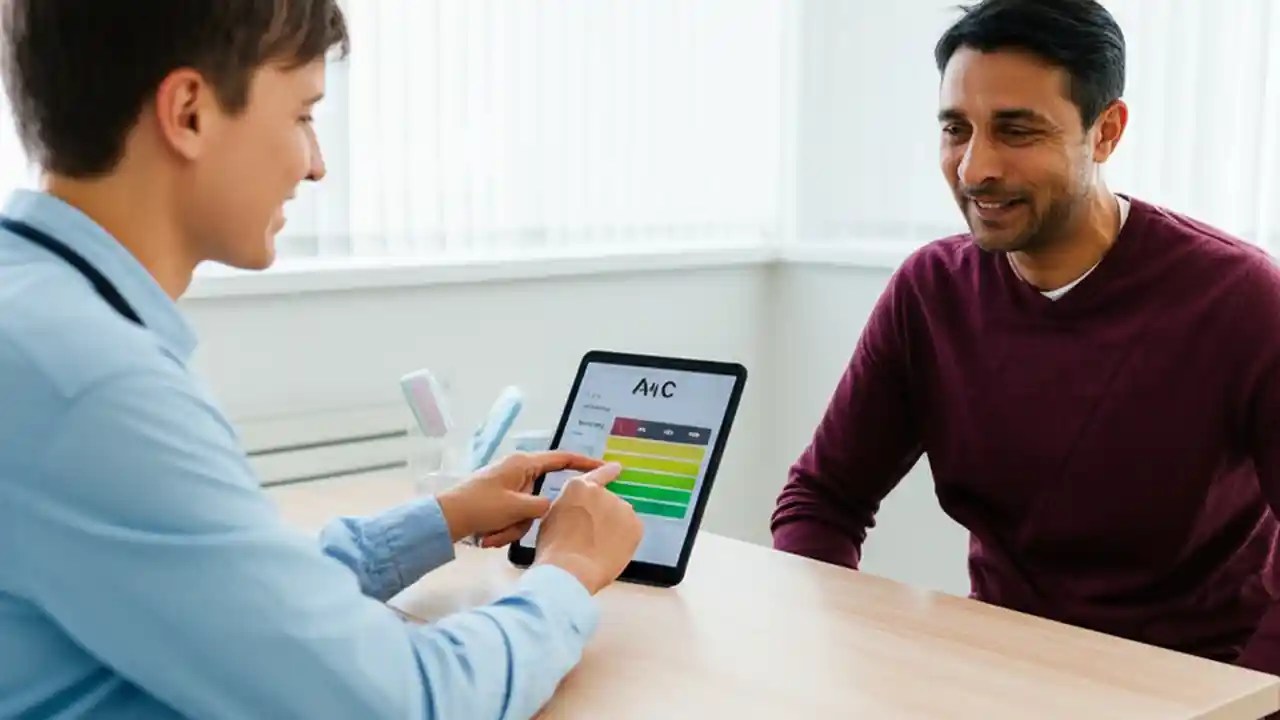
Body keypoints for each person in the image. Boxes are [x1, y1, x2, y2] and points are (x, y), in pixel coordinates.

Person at [0, 2, 643, 718]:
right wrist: (568, 570)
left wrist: (443, 516)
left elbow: (234, 602)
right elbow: (405, 705)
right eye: (304, 115)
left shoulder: (35, 318)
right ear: (188, 113)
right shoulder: (91, 387)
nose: (316, 165)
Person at [772, 0, 1280, 678]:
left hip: (1195, 683)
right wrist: (841, 651)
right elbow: (822, 500)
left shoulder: (1243, 299)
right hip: (998, 673)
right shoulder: (930, 290)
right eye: (957, 129)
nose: (975, 168)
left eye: (1016, 131)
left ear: (1106, 132)